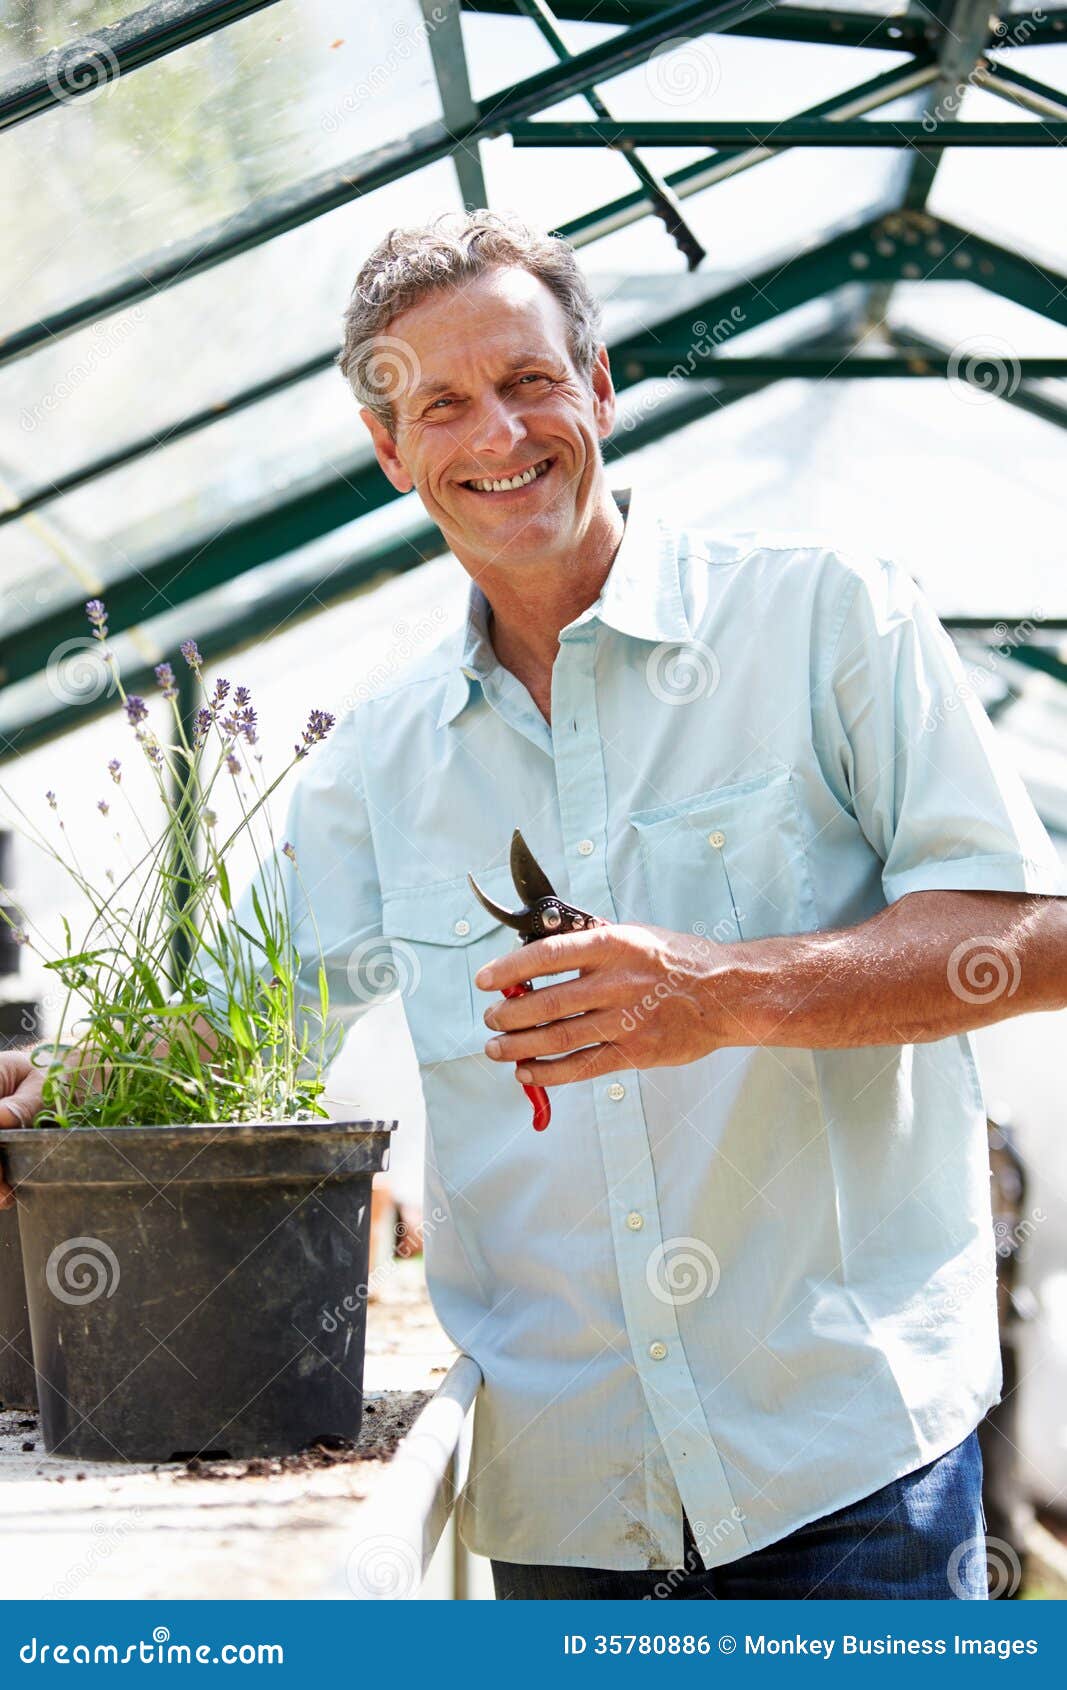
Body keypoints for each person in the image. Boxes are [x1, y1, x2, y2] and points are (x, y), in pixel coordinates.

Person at [2, 210, 1065, 1600]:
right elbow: (230, 1036)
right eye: (441, 402)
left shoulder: (826, 625)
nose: (498, 433)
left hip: (847, 1472)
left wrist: (728, 991)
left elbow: (1032, 936)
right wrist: (64, 1095)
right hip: (570, 1503)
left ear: (602, 387)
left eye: (529, 381)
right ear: (393, 453)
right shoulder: (379, 762)